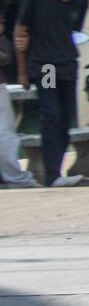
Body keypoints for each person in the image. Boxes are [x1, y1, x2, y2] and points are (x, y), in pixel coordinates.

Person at [14, 0, 89, 187]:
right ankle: (51, 175)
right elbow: (21, 30)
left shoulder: (81, 0)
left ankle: (57, 172)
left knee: (66, 118)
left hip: (68, 64)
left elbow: (74, 32)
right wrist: (23, 72)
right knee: (51, 114)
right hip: (45, 65)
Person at [0, 11, 37, 188]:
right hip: (47, 68)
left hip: (51, 68)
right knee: (51, 107)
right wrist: (23, 74)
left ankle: (51, 174)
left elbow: (9, 54)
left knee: (52, 104)